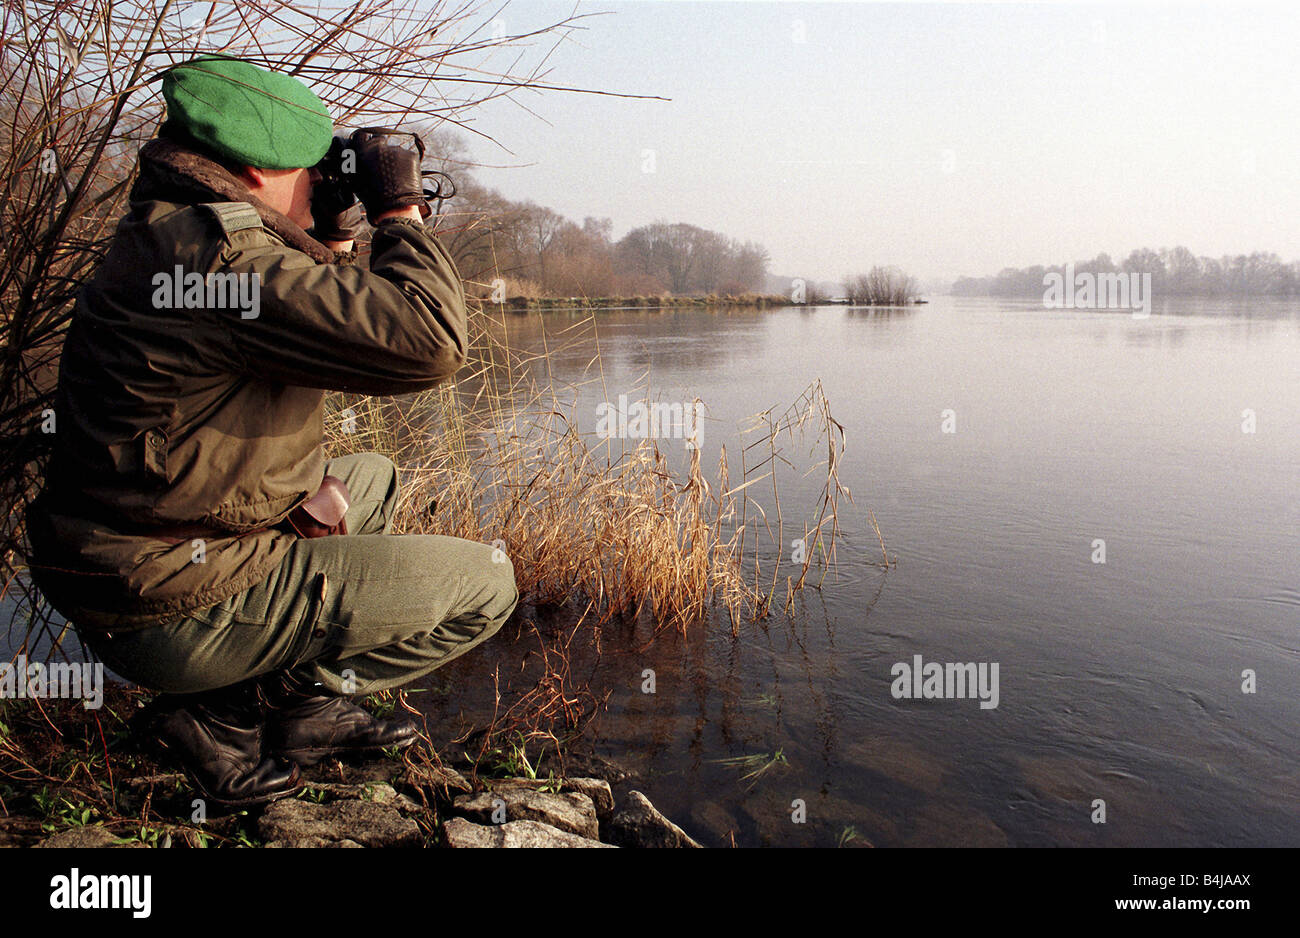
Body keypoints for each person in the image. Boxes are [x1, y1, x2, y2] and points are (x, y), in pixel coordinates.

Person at [24, 55, 519, 806]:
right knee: (489, 582)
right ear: (256, 170)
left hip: (130, 556)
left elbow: (320, 327)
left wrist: (326, 234)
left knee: (371, 477)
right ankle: (224, 712)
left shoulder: (171, 232)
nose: (320, 181)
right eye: (309, 170)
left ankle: (305, 710)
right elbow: (427, 344)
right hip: (167, 599)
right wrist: (398, 214)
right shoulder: (225, 259)